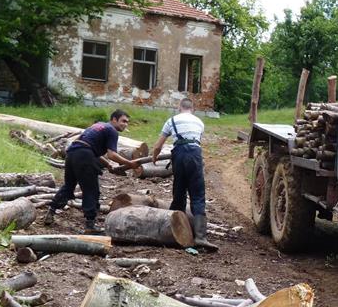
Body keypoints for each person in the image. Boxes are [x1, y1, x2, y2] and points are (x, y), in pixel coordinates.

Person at [43, 109, 140, 233]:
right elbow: (111, 154)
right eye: (123, 121)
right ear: (114, 119)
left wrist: (108, 165)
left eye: (127, 122)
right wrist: (129, 163)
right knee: (91, 190)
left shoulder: (97, 126)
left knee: (68, 186)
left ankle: (51, 212)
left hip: (72, 153)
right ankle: (90, 225)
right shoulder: (112, 131)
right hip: (84, 155)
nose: (125, 124)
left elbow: (87, 146)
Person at [152, 98, 217, 251]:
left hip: (179, 155)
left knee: (179, 192)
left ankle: (174, 231)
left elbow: (158, 145)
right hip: (195, 154)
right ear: (192, 109)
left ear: (179, 107)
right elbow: (196, 142)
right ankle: (200, 237)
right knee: (198, 194)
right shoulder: (199, 122)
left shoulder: (171, 120)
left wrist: (154, 156)